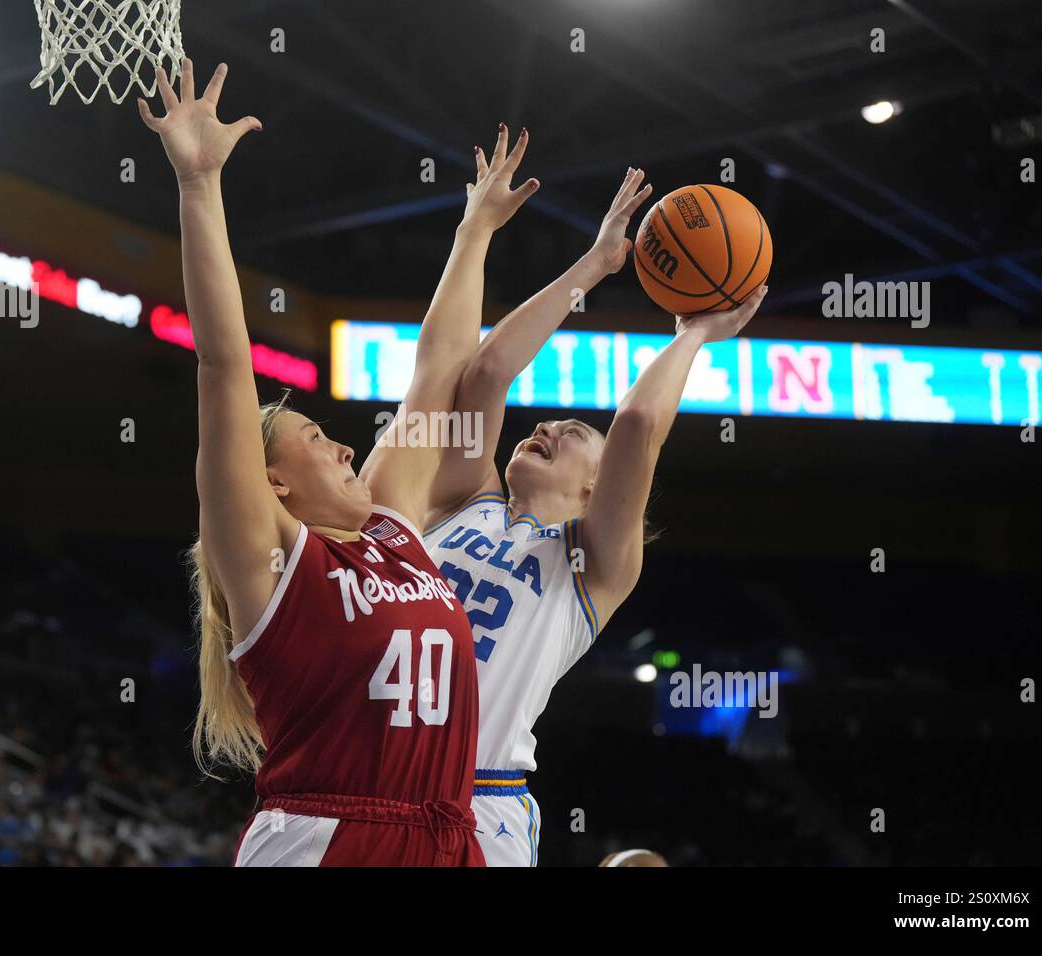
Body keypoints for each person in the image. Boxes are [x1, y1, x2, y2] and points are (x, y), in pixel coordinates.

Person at [139, 59, 537, 865]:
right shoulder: (271, 559)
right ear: (272, 481)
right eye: (319, 439)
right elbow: (223, 364)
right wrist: (198, 185)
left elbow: (436, 369)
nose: (347, 444)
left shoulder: (393, 529)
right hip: (328, 837)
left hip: (444, 835)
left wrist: (474, 236)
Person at [421, 167, 768, 865]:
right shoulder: (460, 501)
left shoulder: (592, 564)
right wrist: (598, 263)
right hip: (372, 781)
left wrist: (696, 333)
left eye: (573, 434)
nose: (547, 427)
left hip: (476, 803)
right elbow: (487, 373)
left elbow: (638, 421)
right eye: (545, 424)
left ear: (594, 487)